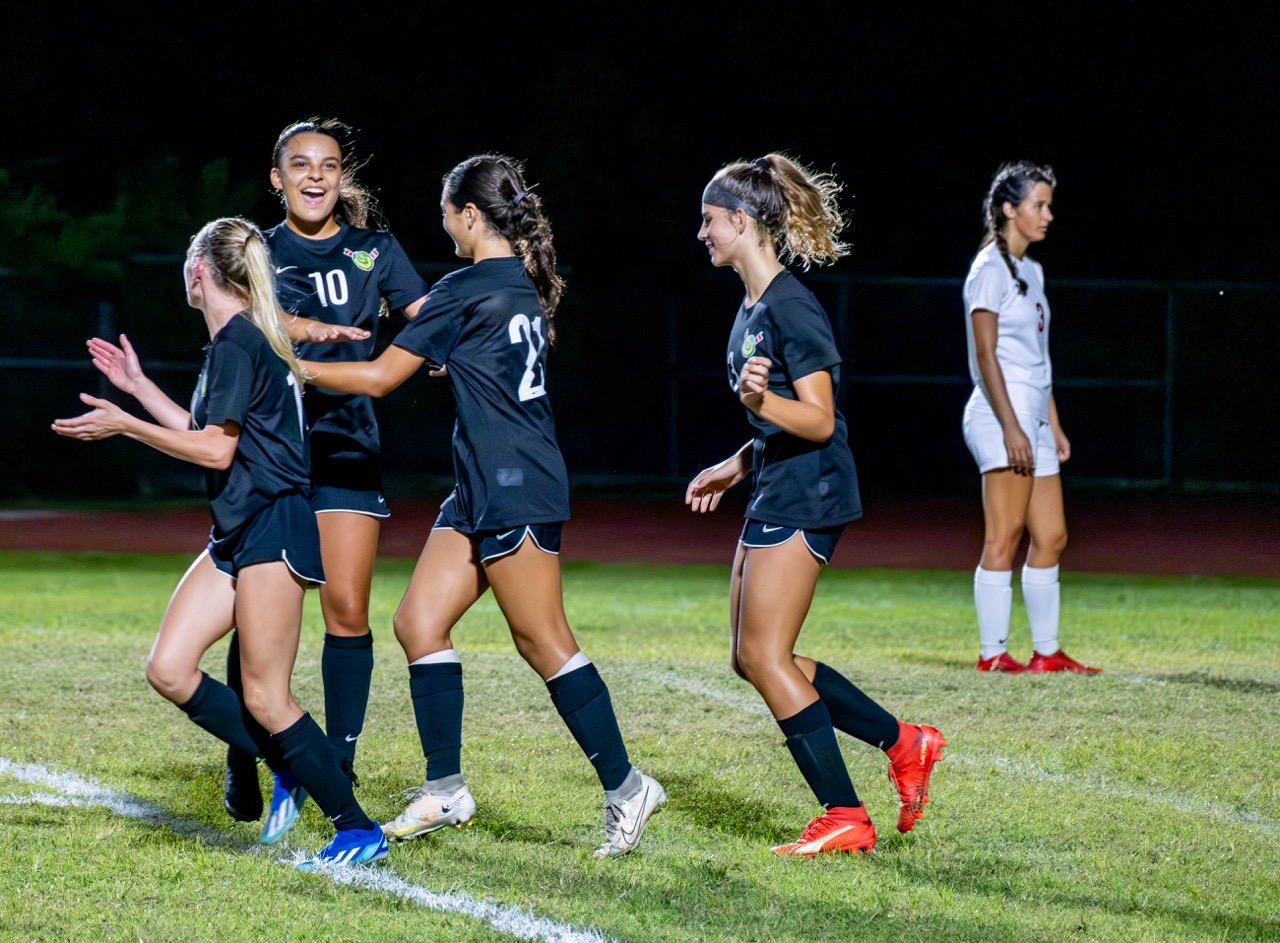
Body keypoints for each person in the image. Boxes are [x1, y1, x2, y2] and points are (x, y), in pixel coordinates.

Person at [298, 154, 665, 859]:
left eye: (445, 211)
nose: (442, 224)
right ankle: (445, 787)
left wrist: (289, 358)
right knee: (418, 621)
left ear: (470, 214)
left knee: (544, 641)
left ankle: (627, 787)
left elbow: (378, 377)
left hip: (513, 484)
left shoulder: (466, 286)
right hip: (482, 485)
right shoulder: (509, 283)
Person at [52, 217, 388, 869]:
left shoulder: (239, 341)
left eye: (186, 257)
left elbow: (214, 447)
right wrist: (139, 390)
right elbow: (206, 431)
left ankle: (356, 826)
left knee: (267, 696)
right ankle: (287, 762)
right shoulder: (237, 342)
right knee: (169, 668)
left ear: (200, 269)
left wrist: (125, 424)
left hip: (272, 525)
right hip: (238, 530)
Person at [685, 154, 945, 857]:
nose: (701, 233)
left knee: (766, 656)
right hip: (777, 484)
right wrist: (734, 463)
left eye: (709, 220)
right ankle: (905, 741)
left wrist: (759, 404)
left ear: (741, 222)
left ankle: (843, 813)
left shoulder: (791, 306)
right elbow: (773, 416)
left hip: (812, 492)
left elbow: (821, 419)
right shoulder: (749, 311)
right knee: (753, 657)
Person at [222, 118, 432, 843]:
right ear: (275, 178)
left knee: (345, 608)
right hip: (269, 454)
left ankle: (333, 770)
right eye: (300, 165)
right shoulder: (253, 252)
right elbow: (230, 328)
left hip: (345, 451)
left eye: (329, 165)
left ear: (343, 177)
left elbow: (426, 317)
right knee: (255, 614)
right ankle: (247, 753)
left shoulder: (376, 249)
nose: (316, 176)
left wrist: (445, 343)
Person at [963, 161, 1099, 674]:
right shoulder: (988, 269)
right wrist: (1013, 426)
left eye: (1047, 205)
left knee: (1052, 535)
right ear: (1008, 209)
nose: (1047, 214)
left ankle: (1046, 653)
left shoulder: (1032, 271)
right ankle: (993, 655)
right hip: (1000, 414)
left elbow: (1038, 359)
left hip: (1032, 413)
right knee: (1005, 534)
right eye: (1038, 205)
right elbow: (986, 354)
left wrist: (1052, 422)